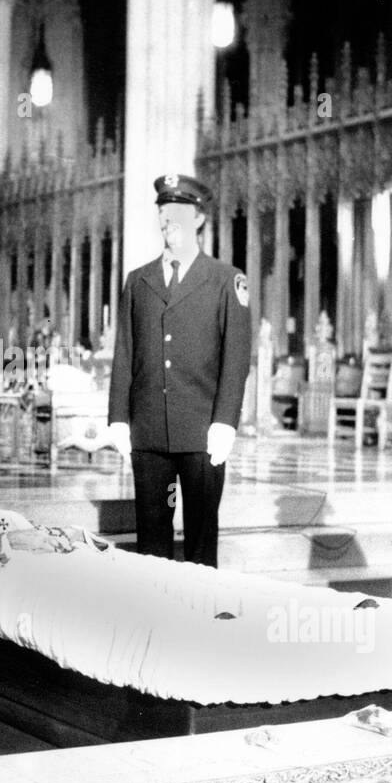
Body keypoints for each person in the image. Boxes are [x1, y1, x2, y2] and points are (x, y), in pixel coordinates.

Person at [107, 172, 251, 567]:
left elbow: (236, 359)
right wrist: (119, 417)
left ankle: (201, 619)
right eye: (163, 212)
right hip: (149, 430)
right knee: (151, 540)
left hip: (202, 432)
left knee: (201, 542)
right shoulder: (138, 281)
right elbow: (125, 352)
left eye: (178, 213)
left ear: (200, 220)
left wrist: (225, 422)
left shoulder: (226, 280)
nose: (168, 221)